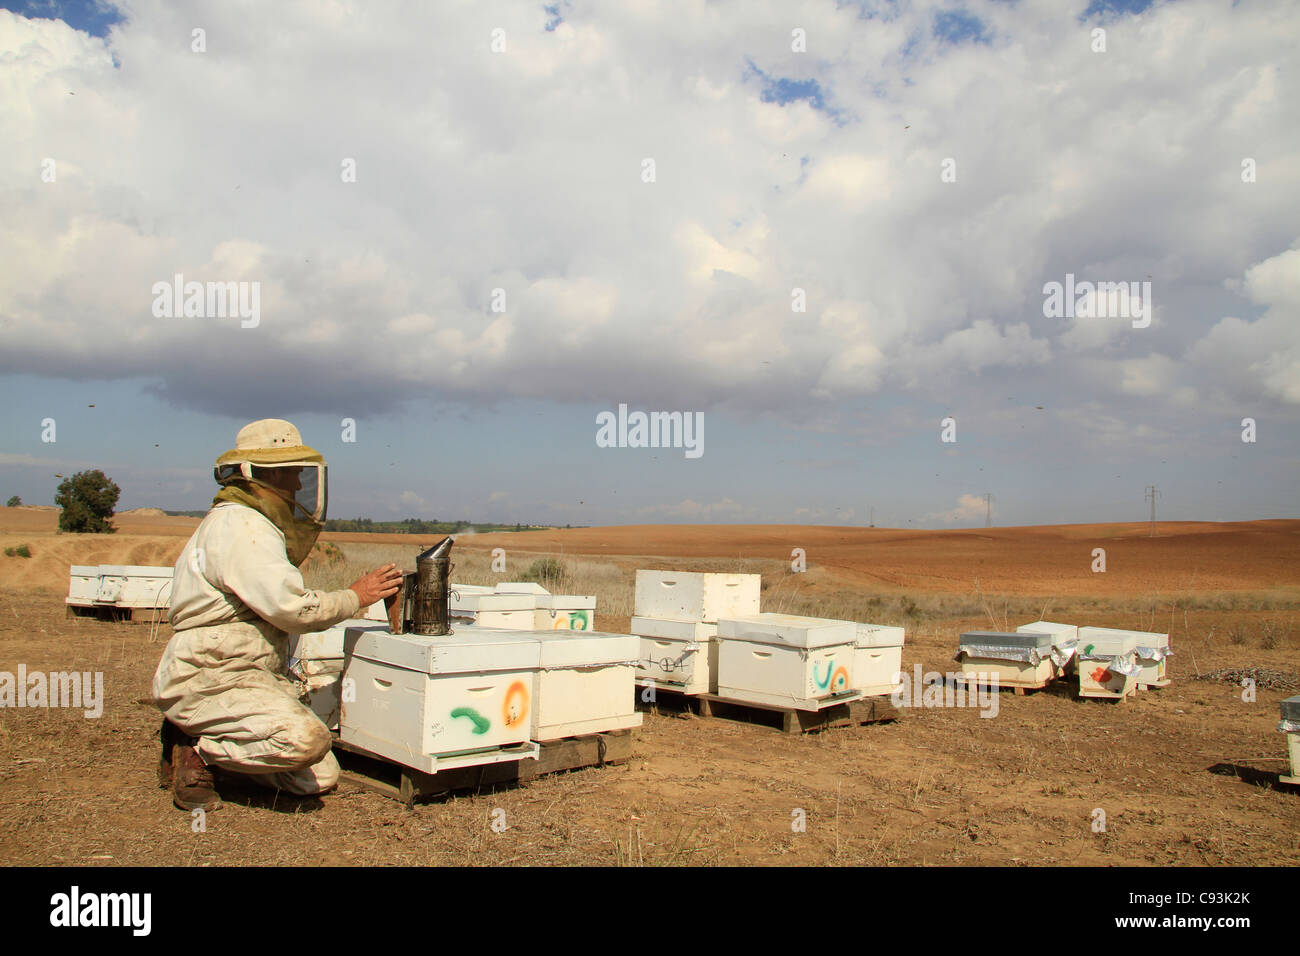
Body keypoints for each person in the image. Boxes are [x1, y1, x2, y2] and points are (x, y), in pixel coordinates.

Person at [152, 419, 402, 810]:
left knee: (320, 777)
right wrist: (356, 596)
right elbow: (293, 610)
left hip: (247, 671)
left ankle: (211, 746)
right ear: (259, 476)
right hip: (212, 671)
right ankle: (193, 745)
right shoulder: (240, 526)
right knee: (306, 740)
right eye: (289, 473)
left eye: (300, 473)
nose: (298, 485)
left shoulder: (248, 522)